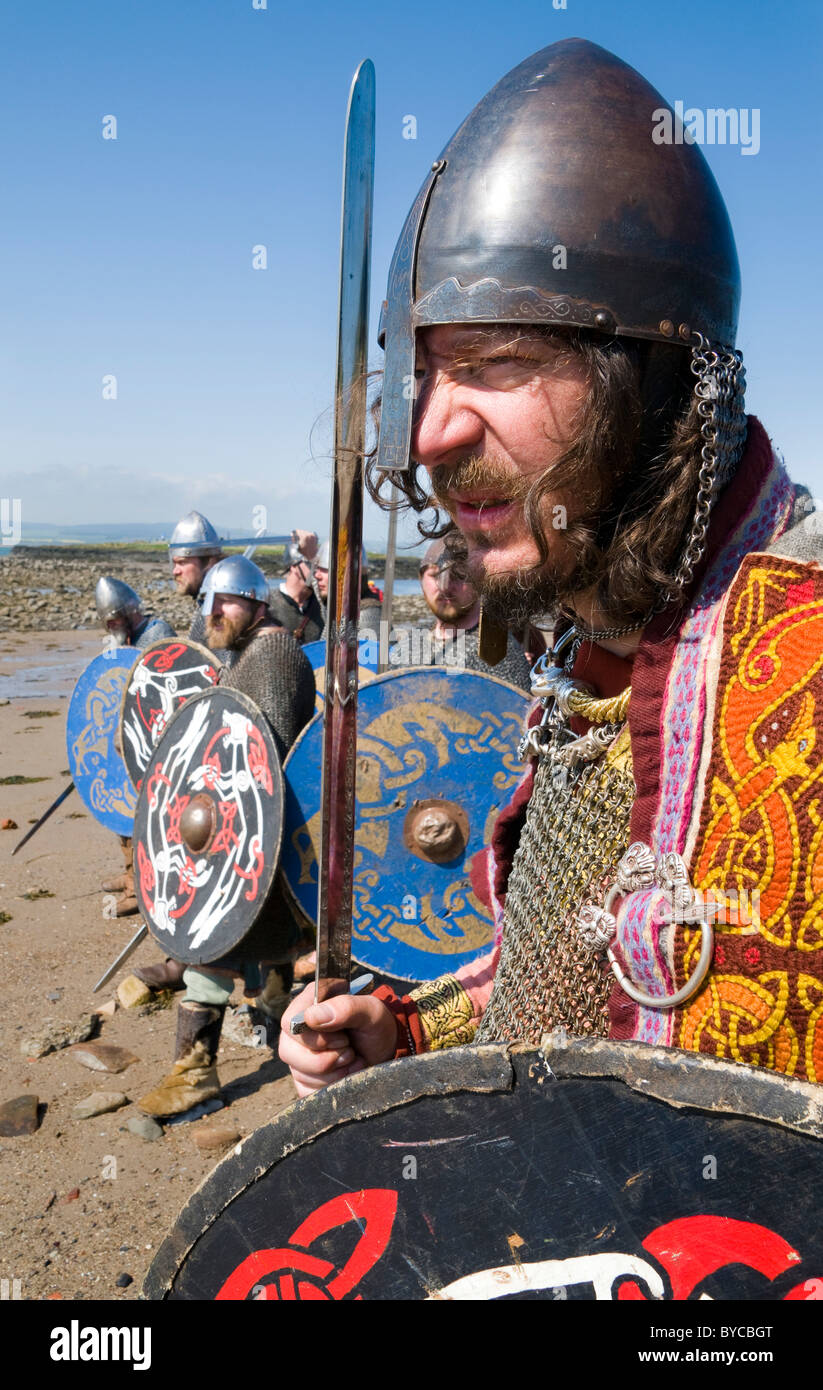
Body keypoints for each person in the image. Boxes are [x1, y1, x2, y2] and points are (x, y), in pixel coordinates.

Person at [279, 38, 823, 1094]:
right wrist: (408, 1032)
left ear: (658, 384)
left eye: (497, 366)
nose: (429, 431)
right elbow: (582, 969)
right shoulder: (589, 655)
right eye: (424, 374)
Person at [137, 555, 316, 1117]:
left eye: (228, 601)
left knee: (209, 949)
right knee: (266, 952)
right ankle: (276, 1023)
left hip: (258, 840)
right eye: (209, 603)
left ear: (258, 603)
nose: (215, 612)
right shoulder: (245, 652)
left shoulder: (274, 654)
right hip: (249, 839)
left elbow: (270, 758)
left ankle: (195, 1072)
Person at [94, 577, 176, 916]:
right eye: (107, 623)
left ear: (130, 612)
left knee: (145, 817)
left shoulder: (157, 634)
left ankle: (140, 889)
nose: (112, 627)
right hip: (125, 740)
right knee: (124, 810)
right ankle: (129, 873)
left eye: (115, 620)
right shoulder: (126, 641)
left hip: (151, 739)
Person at [390, 537, 531, 690]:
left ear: (480, 582)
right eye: (435, 576)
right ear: (421, 579)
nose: (445, 587)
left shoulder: (497, 653)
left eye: (459, 576)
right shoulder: (410, 643)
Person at [267, 540, 324, 643]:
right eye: (310, 564)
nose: (317, 571)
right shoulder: (267, 604)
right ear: (294, 566)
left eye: (319, 566)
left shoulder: (324, 607)